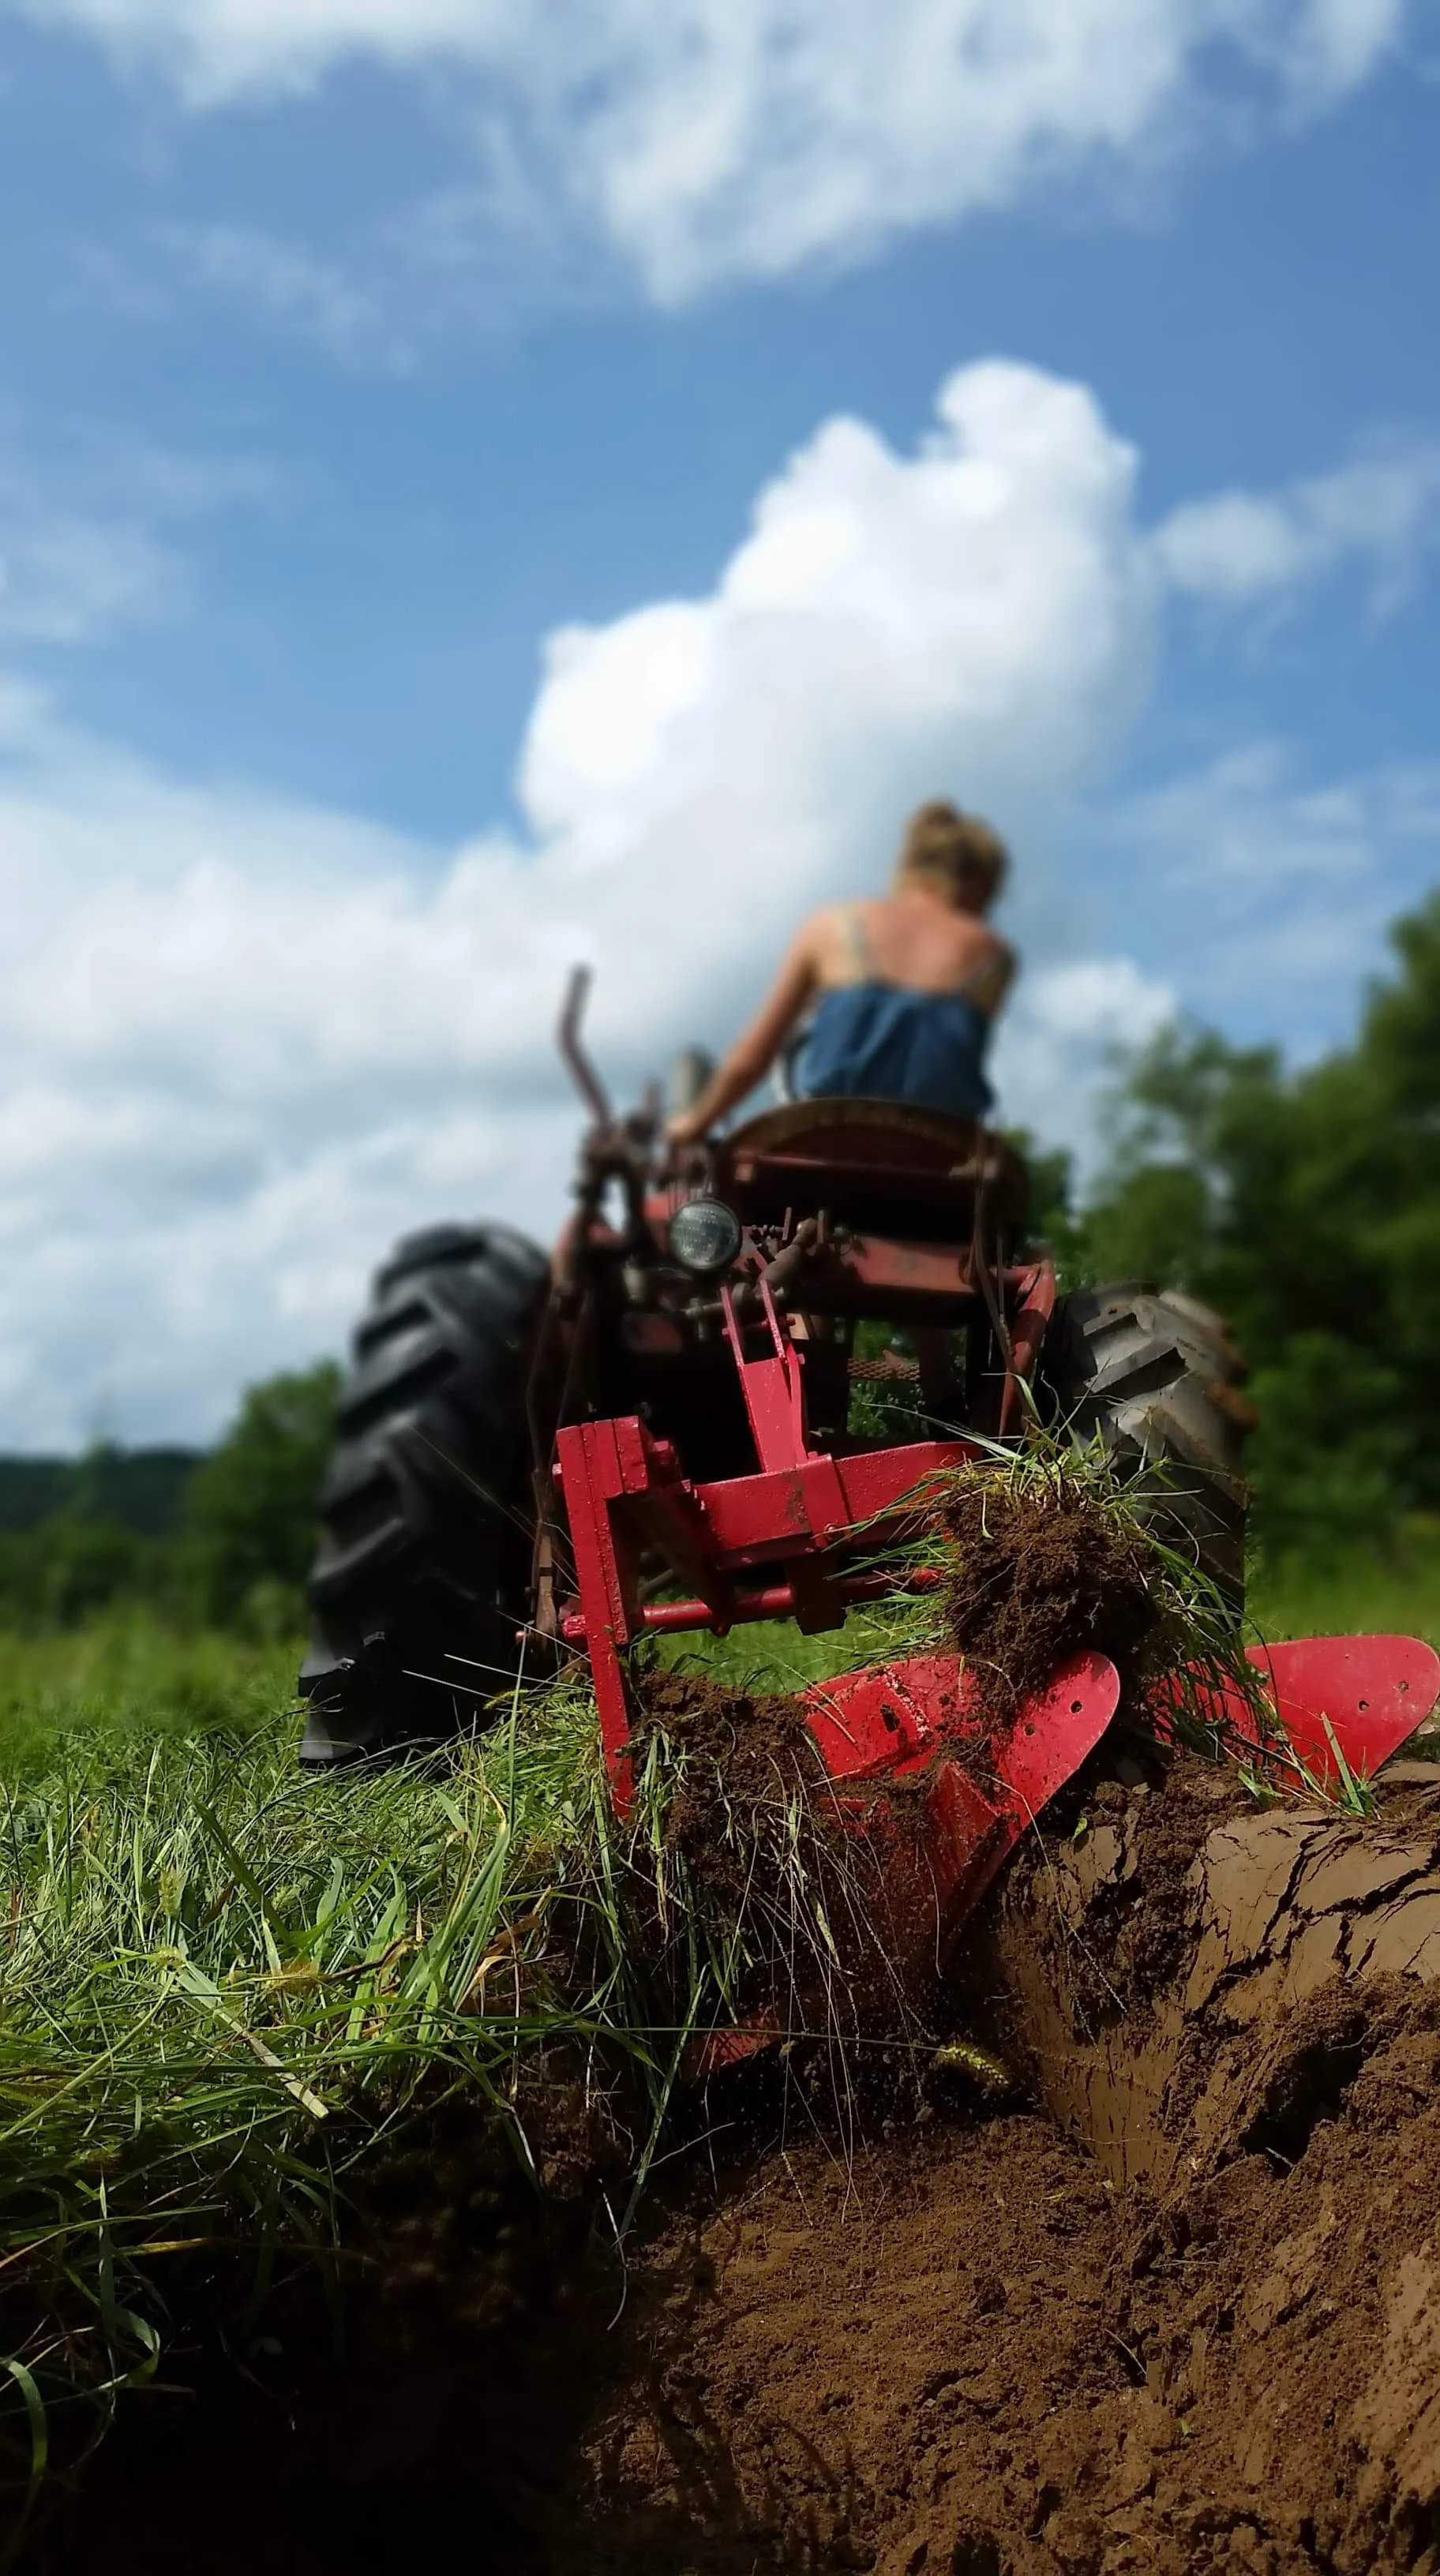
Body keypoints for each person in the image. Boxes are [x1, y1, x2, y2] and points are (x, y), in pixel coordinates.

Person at [666, 800, 1016, 1144]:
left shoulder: (830, 925)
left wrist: (693, 1125)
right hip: (942, 1164)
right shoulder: (995, 954)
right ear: (980, 883)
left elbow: (750, 1060)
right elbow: (933, 1047)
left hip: (829, 1152)